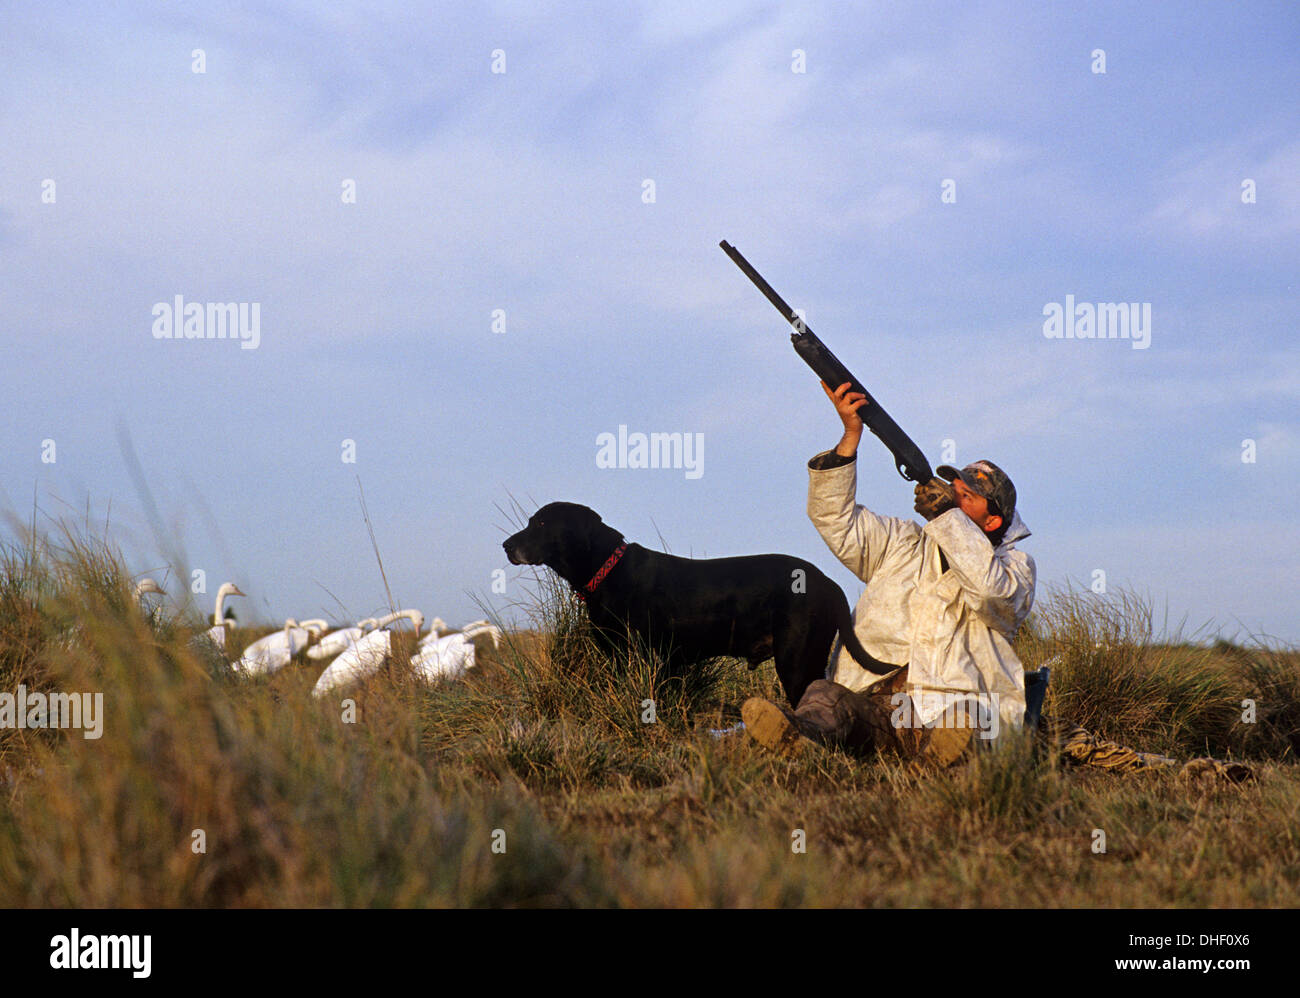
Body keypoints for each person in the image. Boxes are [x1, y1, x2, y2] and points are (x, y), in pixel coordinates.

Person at [743, 381, 1255, 783]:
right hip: (877, 704)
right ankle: (794, 739)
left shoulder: (1016, 568)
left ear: (991, 521)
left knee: (965, 728)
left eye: (965, 495)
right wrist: (850, 439)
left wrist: (947, 522)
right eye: (952, 486)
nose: (949, 494)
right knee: (824, 699)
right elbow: (835, 521)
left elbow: (991, 594)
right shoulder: (901, 542)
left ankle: (935, 767)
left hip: (949, 713)